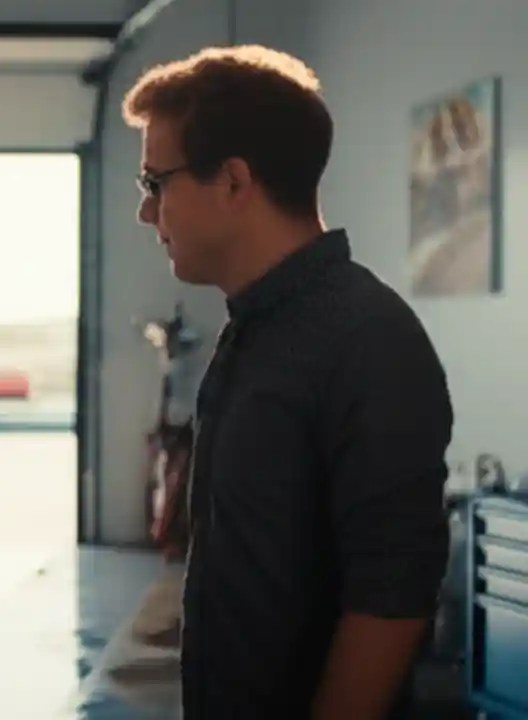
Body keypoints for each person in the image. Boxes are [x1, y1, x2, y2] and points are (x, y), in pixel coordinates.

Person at [122, 46, 453, 719]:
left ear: (235, 182)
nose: (146, 215)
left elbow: (391, 597)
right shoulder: (254, 330)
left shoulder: (366, 341)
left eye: (155, 183)